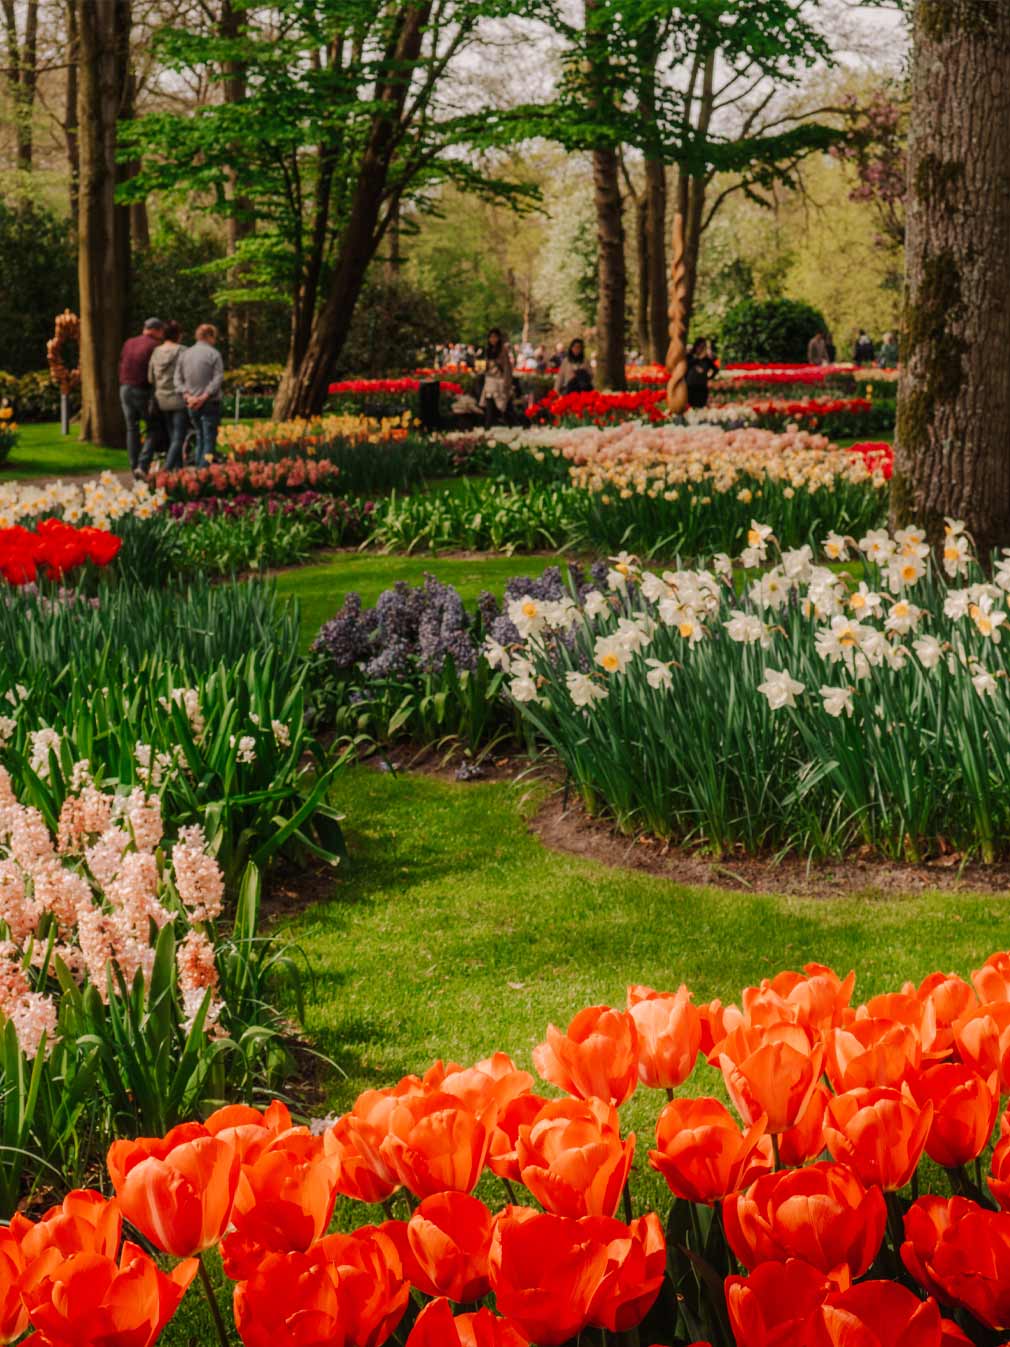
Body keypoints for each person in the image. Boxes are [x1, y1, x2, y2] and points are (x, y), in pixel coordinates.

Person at [118, 317, 164, 478]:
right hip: (141, 389)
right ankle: (142, 465)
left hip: (124, 388)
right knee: (154, 428)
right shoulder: (155, 346)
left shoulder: (129, 343)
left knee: (132, 428)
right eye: (161, 331)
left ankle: (133, 466)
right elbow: (155, 372)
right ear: (156, 330)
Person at [175, 323, 224, 466]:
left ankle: (198, 469)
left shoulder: (185, 354)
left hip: (191, 403)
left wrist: (188, 395)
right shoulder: (214, 354)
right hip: (210, 402)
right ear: (209, 336)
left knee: (200, 436)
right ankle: (203, 471)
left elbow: (177, 378)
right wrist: (204, 396)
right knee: (209, 439)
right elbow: (218, 378)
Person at [148, 321, 188, 471]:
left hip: (161, 398)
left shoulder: (156, 351)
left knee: (172, 435)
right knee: (179, 437)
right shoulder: (183, 351)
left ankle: (178, 469)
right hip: (179, 397)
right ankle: (166, 469)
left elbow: (150, 377)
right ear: (178, 334)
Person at [478, 328, 514, 427]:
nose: (493, 339)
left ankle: (509, 423)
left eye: (495, 337)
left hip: (500, 380)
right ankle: (488, 423)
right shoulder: (487, 350)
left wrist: (507, 381)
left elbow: (507, 367)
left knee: (502, 404)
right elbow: (483, 365)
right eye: (491, 337)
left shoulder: (503, 350)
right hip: (489, 379)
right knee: (489, 401)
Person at [685, 338, 717, 409]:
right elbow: (687, 365)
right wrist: (699, 358)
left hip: (702, 388)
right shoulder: (689, 357)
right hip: (690, 387)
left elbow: (715, 369)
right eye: (700, 346)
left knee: (701, 407)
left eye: (703, 347)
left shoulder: (706, 360)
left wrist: (709, 378)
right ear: (696, 346)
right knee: (689, 407)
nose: (701, 349)